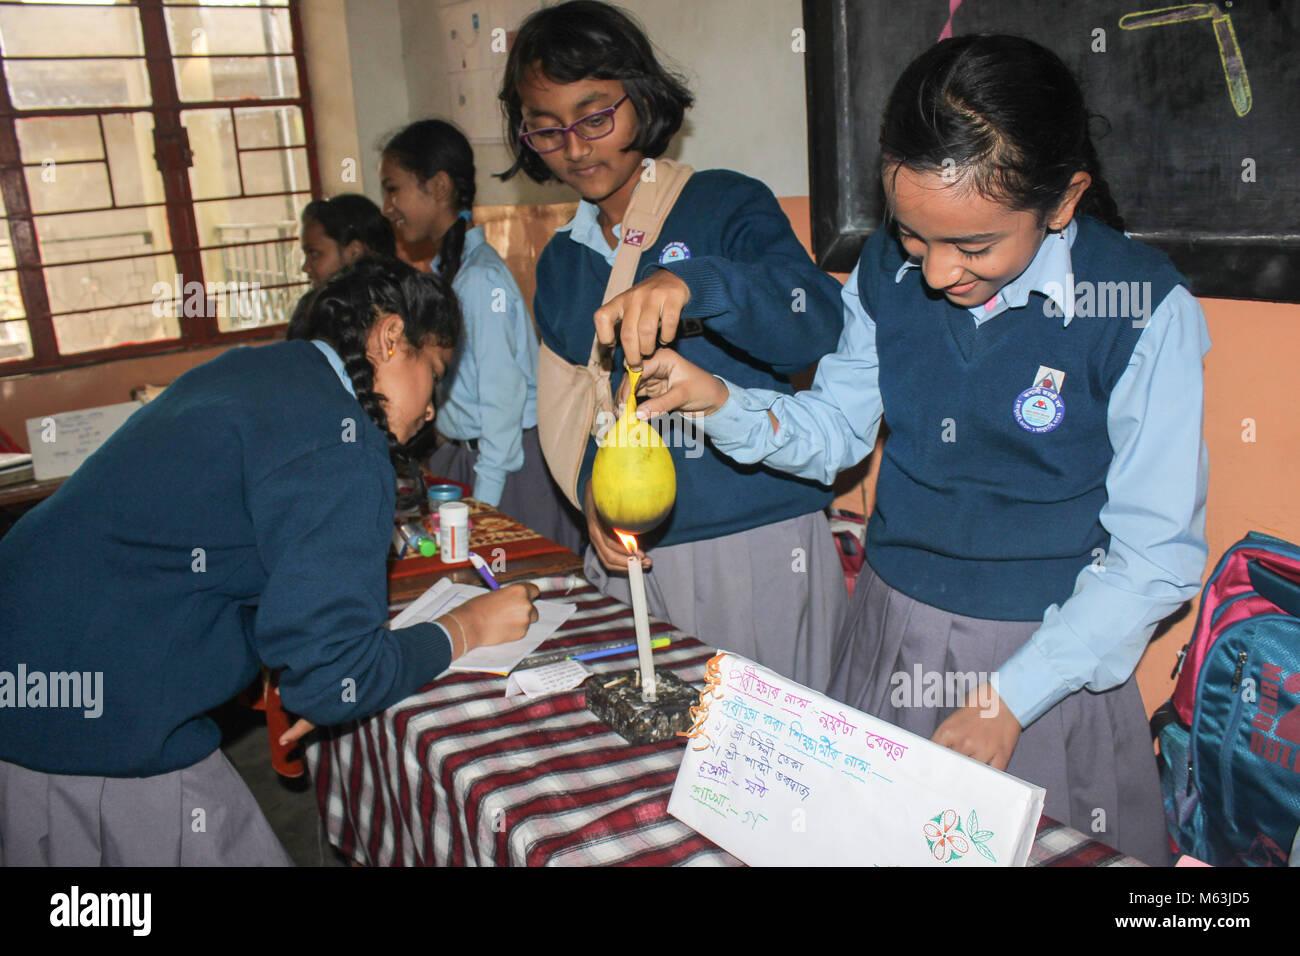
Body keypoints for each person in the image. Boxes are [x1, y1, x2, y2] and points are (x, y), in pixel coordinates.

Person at [630, 35, 1209, 866]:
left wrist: (1009, 700)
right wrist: (718, 400)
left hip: (1045, 665)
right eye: (912, 236)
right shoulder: (883, 277)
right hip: (890, 632)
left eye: (974, 247)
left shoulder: (1141, 310)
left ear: (1063, 199)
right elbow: (834, 432)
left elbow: (1154, 559)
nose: (937, 274)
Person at [0, 256, 540, 866]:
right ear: (391, 337)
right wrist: (466, 627)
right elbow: (341, 676)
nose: (431, 409)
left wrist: (322, 671)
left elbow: (242, 555)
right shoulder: (342, 443)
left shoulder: (264, 370)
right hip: (98, 715)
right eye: (434, 375)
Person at [498, 0, 848, 692]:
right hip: (626, 550)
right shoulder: (564, 261)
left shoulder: (723, 205)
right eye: (547, 129)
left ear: (644, 99)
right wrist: (594, 502)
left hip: (747, 541)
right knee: (652, 763)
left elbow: (818, 321)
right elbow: (591, 404)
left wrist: (698, 285)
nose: (575, 146)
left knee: (759, 768)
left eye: (596, 117)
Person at [379, 119, 584, 554]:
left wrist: (483, 507)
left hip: (505, 469)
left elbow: (502, 406)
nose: (387, 206)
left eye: (393, 189)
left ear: (437, 186)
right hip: (472, 461)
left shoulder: (480, 282)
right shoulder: (450, 276)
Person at [287, 193, 396, 339]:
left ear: (354, 252)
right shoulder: (310, 310)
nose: (305, 267)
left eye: (314, 254)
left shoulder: (398, 309)